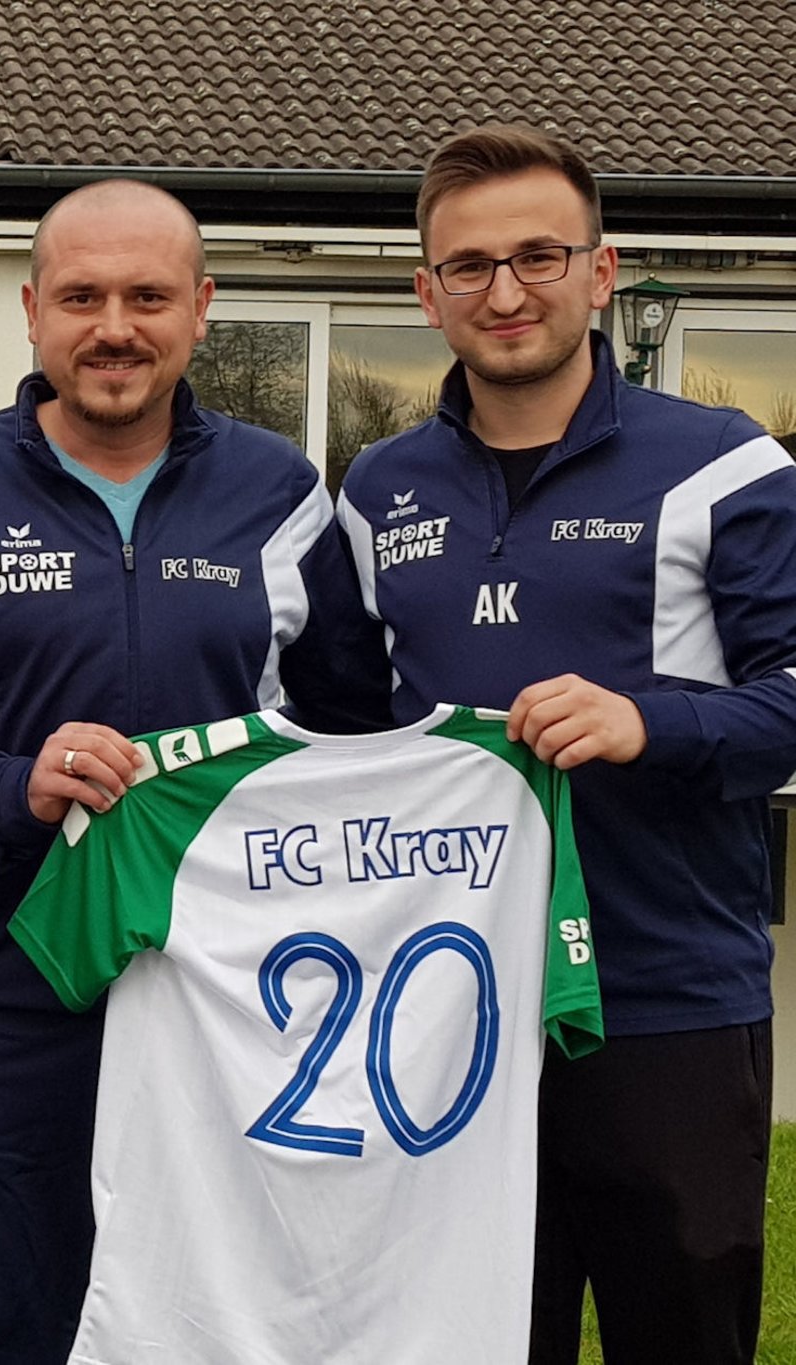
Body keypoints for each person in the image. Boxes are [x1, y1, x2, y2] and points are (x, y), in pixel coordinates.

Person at [0, 179, 387, 1362]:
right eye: (80, 296)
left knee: (224, 1319)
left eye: (146, 296)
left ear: (201, 311)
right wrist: (6, 788)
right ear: (31, 312)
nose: (113, 326)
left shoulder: (281, 494)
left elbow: (348, 735)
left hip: (231, 998)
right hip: (3, 989)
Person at [336, 123, 792, 1365]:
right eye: (469, 266)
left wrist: (647, 721)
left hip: (665, 1007)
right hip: (451, 1011)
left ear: (601, 272)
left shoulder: (722, 464)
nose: (505, 292)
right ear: (425, 296)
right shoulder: (374, 491)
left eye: (539, 256)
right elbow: (332, 734)